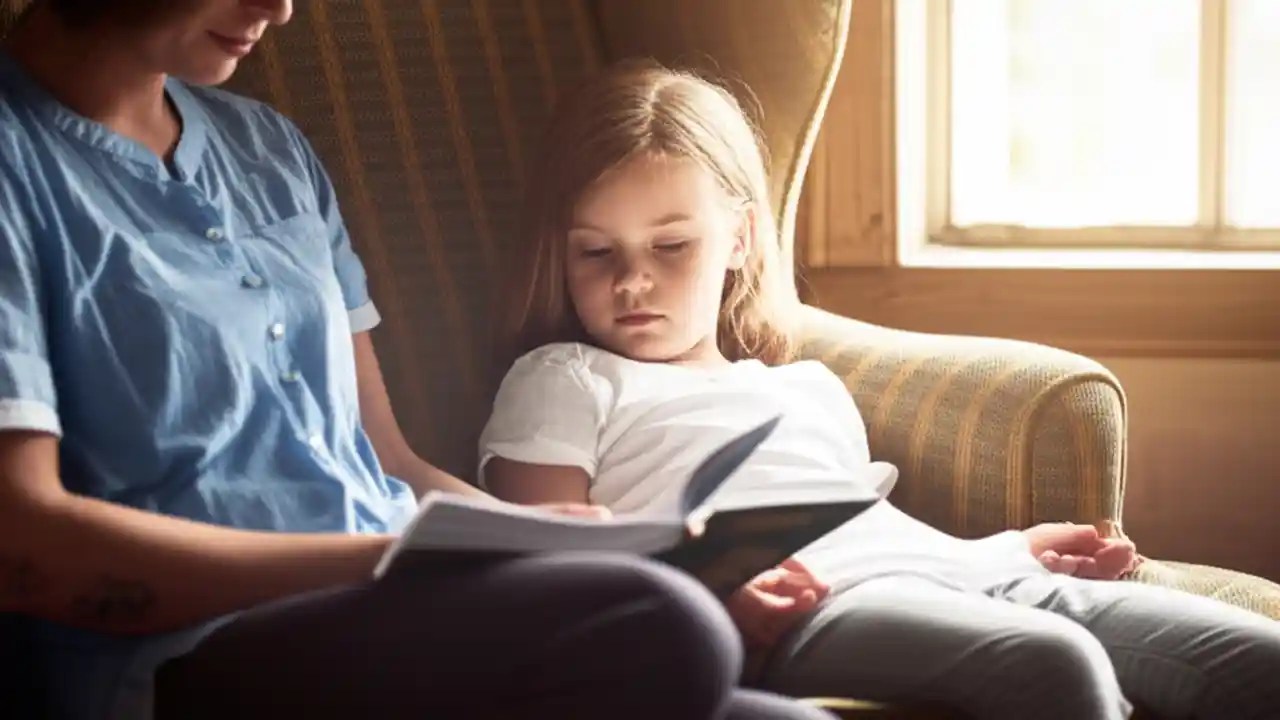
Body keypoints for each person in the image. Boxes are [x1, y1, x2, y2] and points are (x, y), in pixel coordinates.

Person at [0, 2, 843, 719]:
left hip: (396, 609)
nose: (281, 8)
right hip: (192, 655)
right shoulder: (18, 162)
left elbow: (391, 462)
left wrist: (598, 551)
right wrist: (416, 563)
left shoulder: (268, 151)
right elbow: (25, 548)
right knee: (668, 624)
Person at [480, 60, 1280, 720]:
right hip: (813, 610)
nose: (631, 282)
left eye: (671, 245)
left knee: (1255, 659)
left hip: (950, 577)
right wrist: (704, 595)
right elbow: (545, 555)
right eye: (597, 253)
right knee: (1051, 664)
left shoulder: (807, 388)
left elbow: (872, 534)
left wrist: (1008, 550)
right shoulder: (564, 377)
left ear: (741, 238)